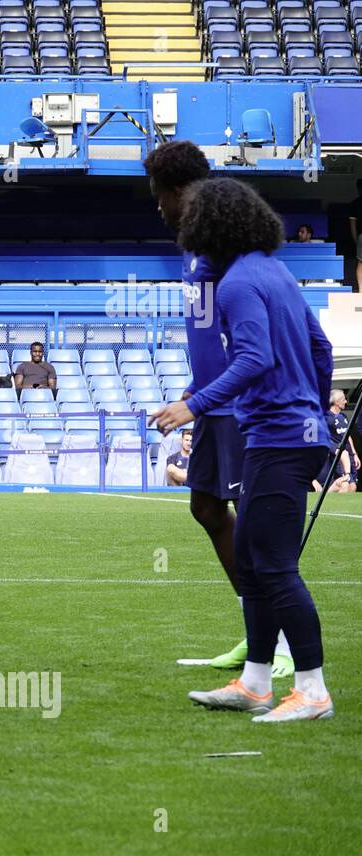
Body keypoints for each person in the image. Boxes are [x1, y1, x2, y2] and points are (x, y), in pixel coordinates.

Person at [153, 177, 336, 722]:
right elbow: (321, 348)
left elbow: (253, 358)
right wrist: (314, 411)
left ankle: (313, 691)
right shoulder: (275, 272)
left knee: (274, 565)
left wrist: (194, 405)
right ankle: (256, 683)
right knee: (254, 561)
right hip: (287, 434)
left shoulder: (235, 284)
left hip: (278, 438)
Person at [143, 139, 293, 678]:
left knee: (251, 524)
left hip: (239, 406)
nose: (158, 206)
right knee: (206, 508)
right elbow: (215, 332)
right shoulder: (193, 248)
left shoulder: (226, 244)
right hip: (212, 400)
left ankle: (279, 645)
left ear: (182, 191)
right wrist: (195, 387)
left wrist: (208, 396)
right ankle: (258, 631)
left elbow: (251, 330)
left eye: (160, 195)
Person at [314, 389, 358, 493]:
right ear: (337, 402)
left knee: (353, 486)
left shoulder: (343, 417)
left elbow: (347, 436)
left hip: (349, 456)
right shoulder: (326, 418)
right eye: (343, 399)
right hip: (338, 456)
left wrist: (354, 453)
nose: (346, 401)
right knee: (345, 484)